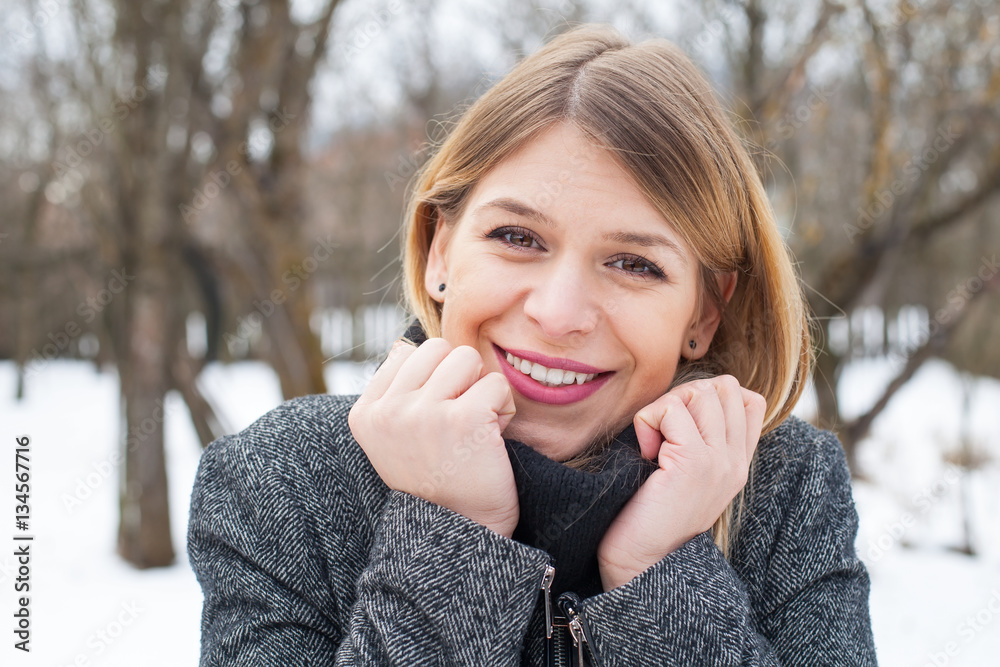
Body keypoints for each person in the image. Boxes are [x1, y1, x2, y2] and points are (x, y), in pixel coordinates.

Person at [188, 24, 877, 666]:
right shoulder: (282, 482)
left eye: (635, 263)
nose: (559, 313)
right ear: (439, 252)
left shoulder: (783, 489)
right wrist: (456, 540)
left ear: (704, 312)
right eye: (517, 237)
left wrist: (659, 574)